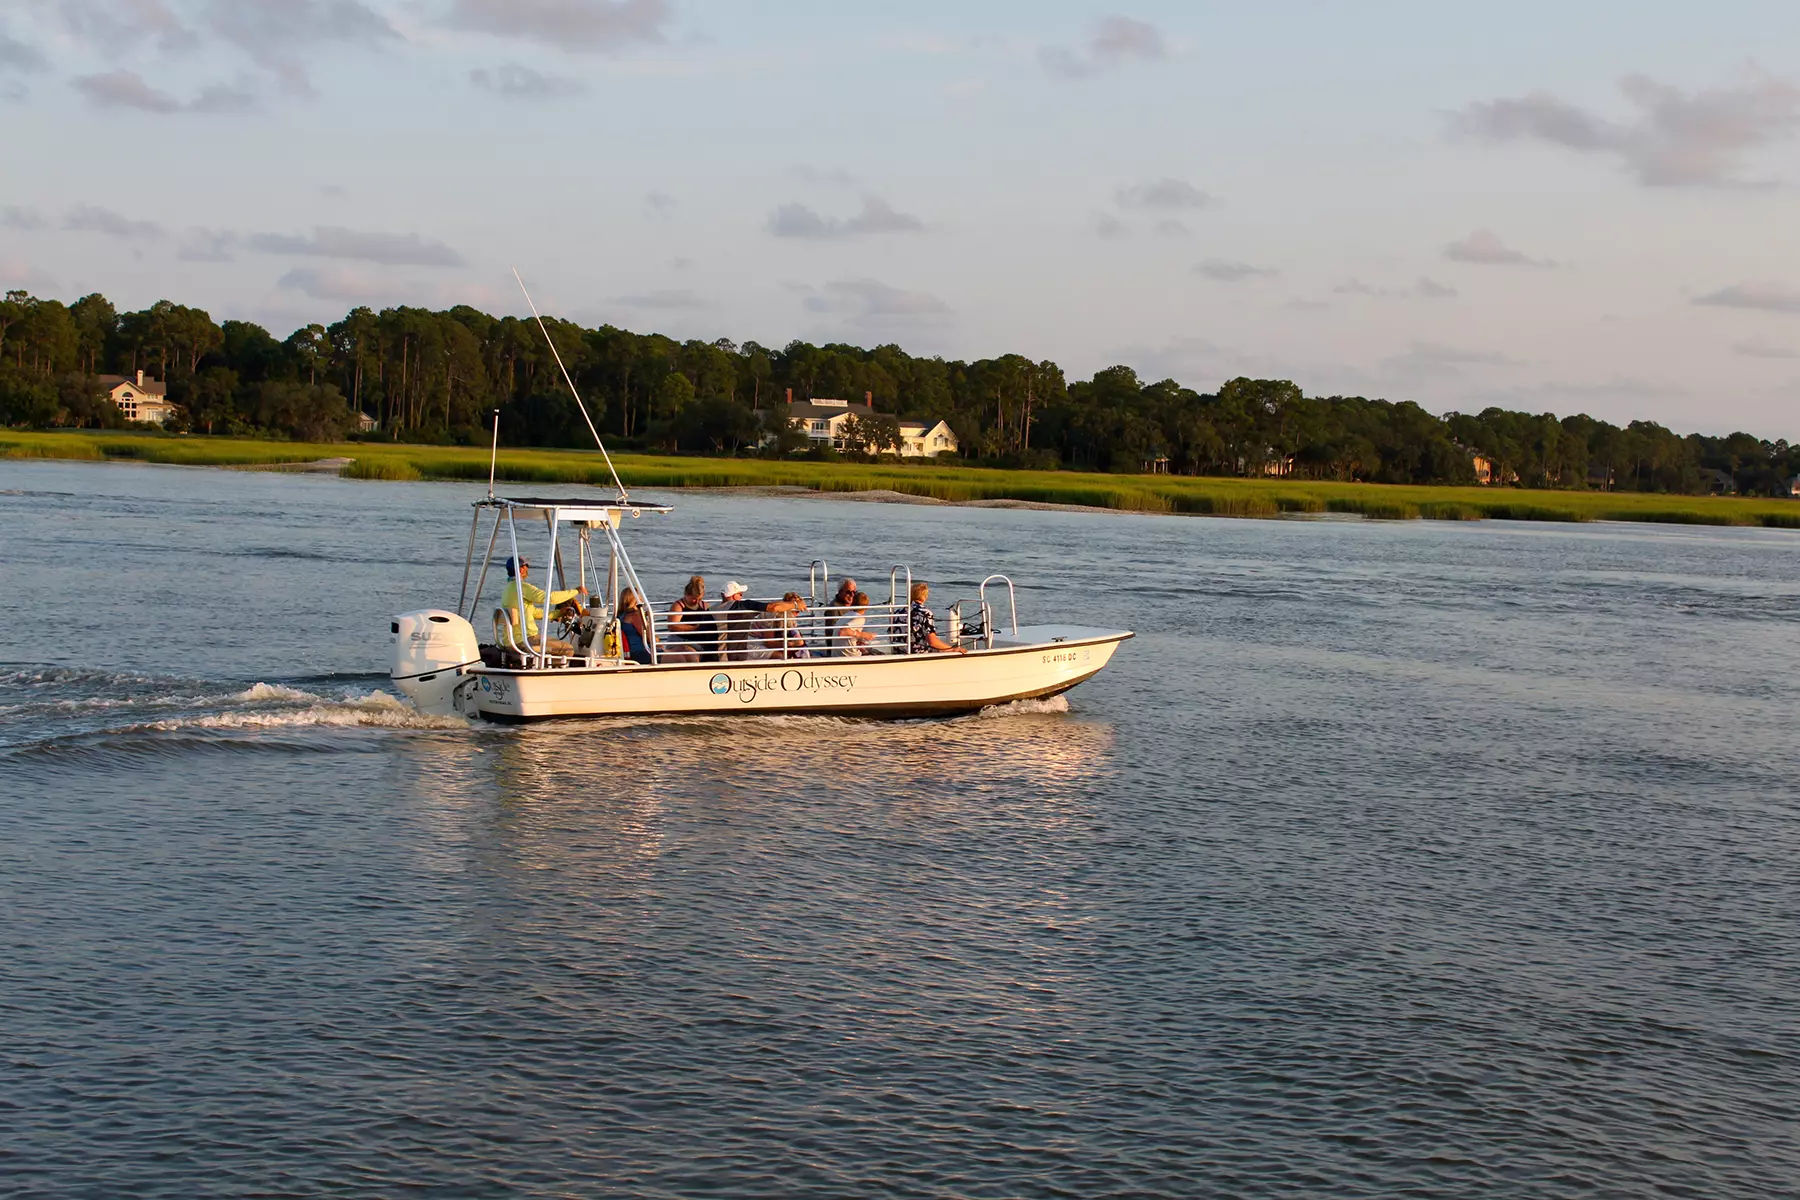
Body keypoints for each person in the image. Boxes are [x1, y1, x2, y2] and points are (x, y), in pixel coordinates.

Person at [500, 556, 586, 657]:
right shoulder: (522, 587)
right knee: (567, 649)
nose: (528, 568)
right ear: (521, 569)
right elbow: (549, 598)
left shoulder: (508, 589)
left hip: (510, 641)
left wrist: (557, 613)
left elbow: (534, 612)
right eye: (527, 566)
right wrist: (576, 591)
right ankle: (554, 670)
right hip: (524, 640)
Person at [667, 575, 719, 662]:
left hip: (699, 641)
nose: (696, 601)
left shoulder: (704, 605)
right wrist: (695, 628)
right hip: (681, 640)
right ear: (686, 594)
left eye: (699, 599)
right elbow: (672, 626)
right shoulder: (678, 606)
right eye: (694, 599)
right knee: (691, 655)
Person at [909, 581, 967, 655]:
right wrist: (952, 649)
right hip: (917, 652)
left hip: (900, 649)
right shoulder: (925, 613)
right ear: (925, 596)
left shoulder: (900, 610)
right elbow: (932, 642)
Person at [615, 587, 654, 665]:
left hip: (628, 653)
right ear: (636, 599)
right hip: (640, 653)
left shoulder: (620, 616)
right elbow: (650, 638)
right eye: (641, 596)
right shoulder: (635, 615)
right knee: (679, 654)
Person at [833, 591, 876, 656]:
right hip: (848, 655)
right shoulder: (859, 618)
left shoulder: (846, 615)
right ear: (867, 607)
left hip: (836, 654)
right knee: (878, 654)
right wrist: (863, 635)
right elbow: (842, 632)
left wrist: (858, 639)